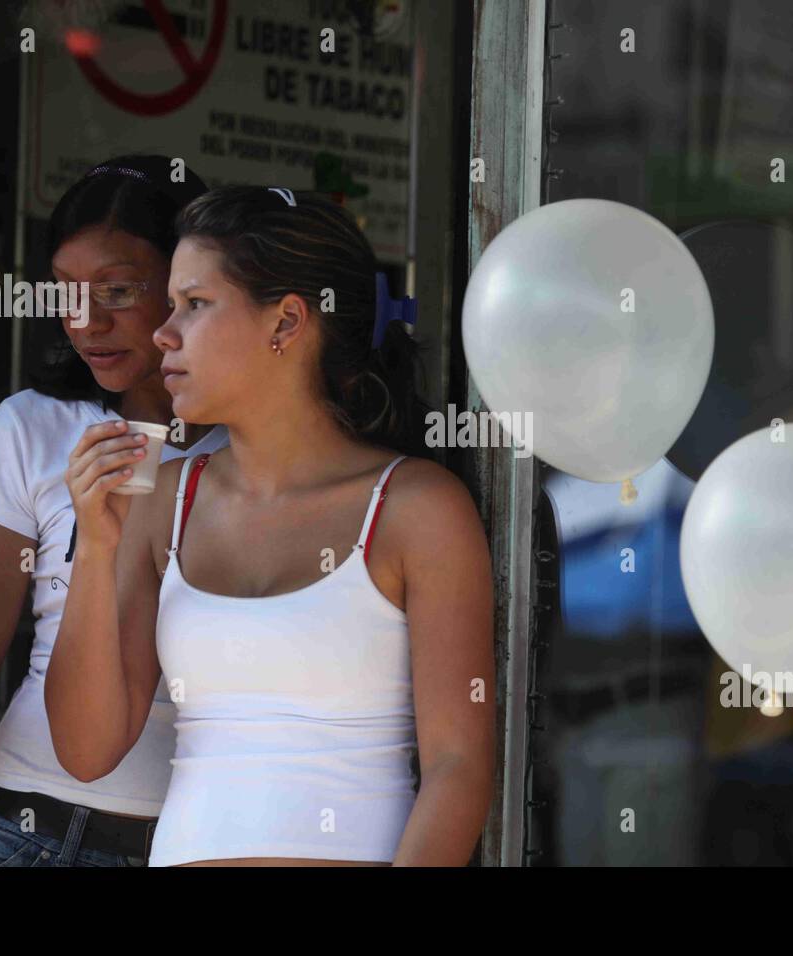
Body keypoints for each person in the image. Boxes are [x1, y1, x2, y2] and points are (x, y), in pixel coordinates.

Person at [45, 186, 496, 866]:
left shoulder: (417, 507)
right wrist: (95, 549)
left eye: (194, 306)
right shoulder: (161, 501)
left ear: (286, 322)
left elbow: (459, 768)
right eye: (170, 307)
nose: (163, 334)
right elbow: (86, 751)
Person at [0, 155, 227, 867]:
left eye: (118, 290)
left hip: (201, 845)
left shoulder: (260, 444)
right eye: (65, 291)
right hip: (35, 837)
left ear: (193, 286)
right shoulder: (33, 428)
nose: (85, 323)